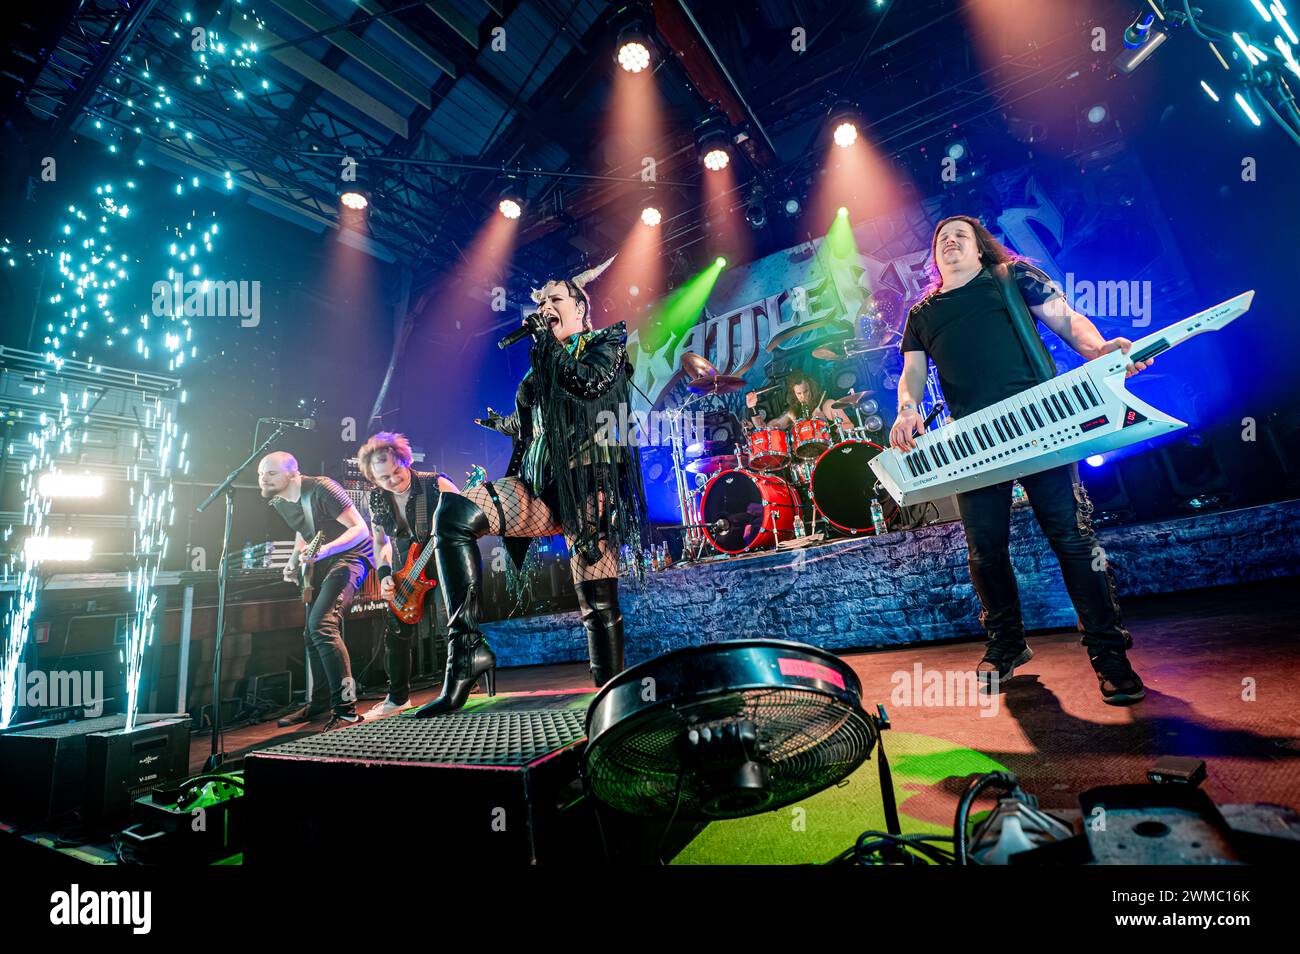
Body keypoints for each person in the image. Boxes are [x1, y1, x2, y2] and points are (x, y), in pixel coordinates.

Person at [890, 214, 1154, 706]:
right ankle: (1007, 645)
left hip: (1041, 423)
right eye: (941, 238)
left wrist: (1099, 349)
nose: (949, 241)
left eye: (960, 235)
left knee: (1073, 541)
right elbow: (912, 374)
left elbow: (1067, 319)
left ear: (980, 247)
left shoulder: (1012, 278)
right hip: (973, 442)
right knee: (984, 552)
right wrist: (907, 410)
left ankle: (1110, 655)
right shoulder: (922, 313)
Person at [414, 256, 647, 717]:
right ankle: (466, 653)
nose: (544, 307)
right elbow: (532, 427)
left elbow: (587, 384)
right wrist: (504, 424)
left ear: (581, 310)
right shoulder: (541, 364)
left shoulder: (608, 344)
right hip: (539, 487)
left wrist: (545, 343)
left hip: (589, 488)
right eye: (540, 302)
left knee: (598, 603)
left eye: (555, 300)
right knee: (453, 515)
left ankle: (613, 694)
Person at [259, 451, 374, 730]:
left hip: (351, 557)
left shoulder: (322, 488)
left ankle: (346, 710)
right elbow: (304, 530)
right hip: (321, 562)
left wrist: (326, 550)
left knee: (322, 625)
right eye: (260, 474)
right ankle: (321, 703)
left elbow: (360, 529)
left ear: (293, 473)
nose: (263, 478)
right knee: (310, 633)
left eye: (271, 473)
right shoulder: (279, 501)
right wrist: (291, 562)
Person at [357, 431, 459, 720]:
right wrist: (385, 573)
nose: (392, 481)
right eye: (382, 478)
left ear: (406, 460)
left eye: (396, 472)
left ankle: (460, 686)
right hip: (406, 568)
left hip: (442, 562)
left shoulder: (436, 484)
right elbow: (379, 542)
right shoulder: (378, 499)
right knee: (396, 635)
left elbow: (468, 522)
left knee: (449, 623)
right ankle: (398, 698)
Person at [745, 373, 852, 430]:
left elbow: (849, 425)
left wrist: (824, 426)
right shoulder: (794, 413)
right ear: (794, 394)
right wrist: (752, 408)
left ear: (812, 388)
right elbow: (767, 429)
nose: (803, 396)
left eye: (806, 392)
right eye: (799, 394)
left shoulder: (827, 405)